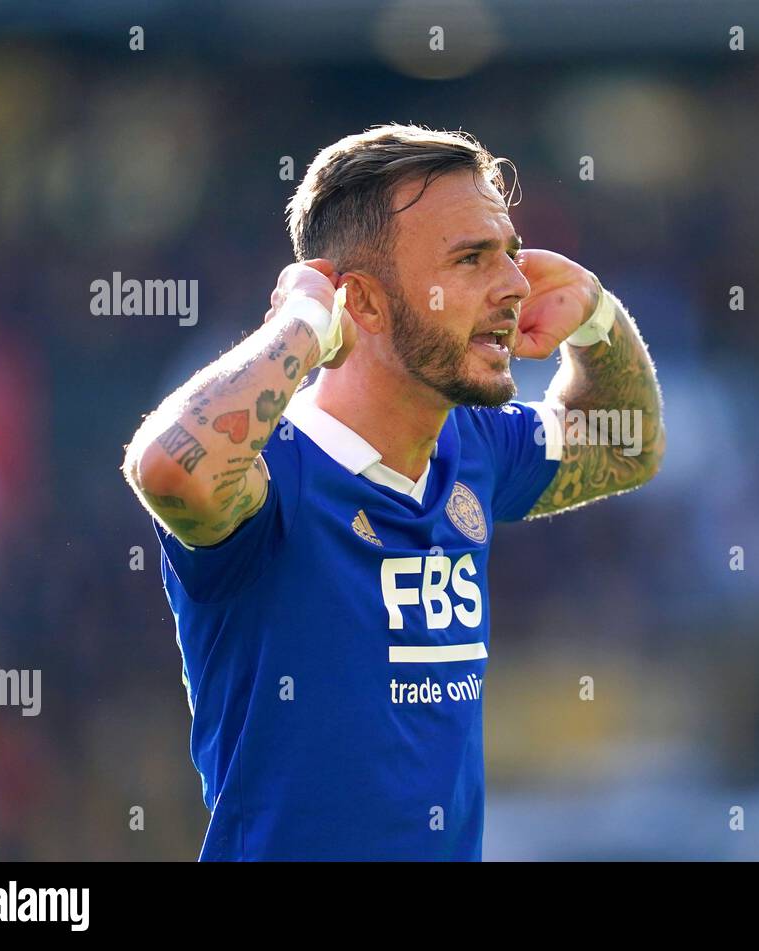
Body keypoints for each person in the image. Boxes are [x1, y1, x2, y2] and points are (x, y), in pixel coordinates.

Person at [120, 124, 665, 860]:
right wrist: (303, 323)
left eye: (507, 251)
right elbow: (168, 468)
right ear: (364, 306)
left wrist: (597, 318)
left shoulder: (475, 445)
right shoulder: (272, 469)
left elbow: (628, 446)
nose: (513, 284)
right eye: (471, 259)